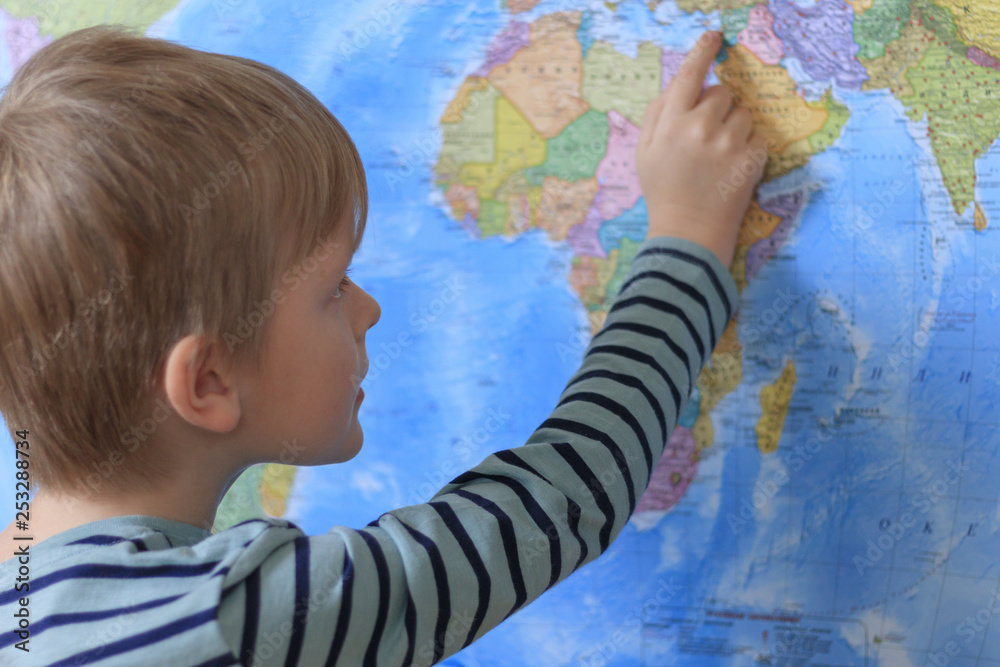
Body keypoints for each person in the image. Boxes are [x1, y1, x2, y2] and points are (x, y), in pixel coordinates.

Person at [0, 24, 764, 666]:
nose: (367, 307)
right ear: (207, 381)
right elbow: (558, 502)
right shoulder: (233, 621)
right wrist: (687, 240)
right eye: (332, 286)